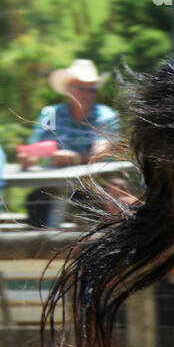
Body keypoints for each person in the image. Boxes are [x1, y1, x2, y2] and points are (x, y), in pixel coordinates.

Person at [19, 60, 122, 227]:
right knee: (37, 201)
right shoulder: (51, 114)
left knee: (111, 197)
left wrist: (74, 158)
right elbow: (36, 148)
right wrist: (29, 156)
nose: (87, 93)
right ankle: (40, 248)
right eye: (80, 87)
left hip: (96, 185)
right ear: (67, 89)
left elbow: (101, 153)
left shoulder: (106, 116)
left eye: (92, 88)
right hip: (53, 186)